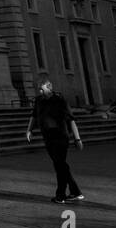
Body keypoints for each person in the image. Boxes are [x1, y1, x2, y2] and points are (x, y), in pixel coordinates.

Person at [26, 75, 84, 203]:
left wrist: (77, 138)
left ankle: (60, 195)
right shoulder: (38, 100)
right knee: (61, 165)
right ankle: (75, 191)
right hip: (48, 138)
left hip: (60, 137)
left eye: (41, 89)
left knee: (59, 165)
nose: (39, 92)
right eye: (38, 90)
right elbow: (34, 115)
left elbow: (71, 119)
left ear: (49, 87)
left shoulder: (60, 100)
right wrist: (29, 129)